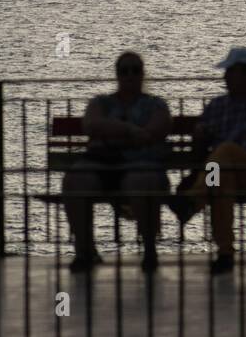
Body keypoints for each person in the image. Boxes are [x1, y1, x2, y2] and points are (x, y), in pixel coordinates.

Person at [169, 47, 246, 274]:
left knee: (225, 151)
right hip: (222, 175)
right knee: (220, 185)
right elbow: (201, 139)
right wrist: (198, 138)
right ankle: (225, 253)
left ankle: (192, 201)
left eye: (230, 72)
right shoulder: (217, 105)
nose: (225, 76)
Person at [62, 52, 172, 274]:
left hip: (141, 163)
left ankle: (149, 249)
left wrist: (111, 131)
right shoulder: (101, 102)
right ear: (117, 75)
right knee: (75, 180)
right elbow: (91, 125)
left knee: (143, 181)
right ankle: (84, 251)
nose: (130, 75)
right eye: (124, 70)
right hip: (103, 163)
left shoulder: (155, 104)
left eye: (135, 70)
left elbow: (156, 129)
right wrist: (130, 130)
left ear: (142, 74)